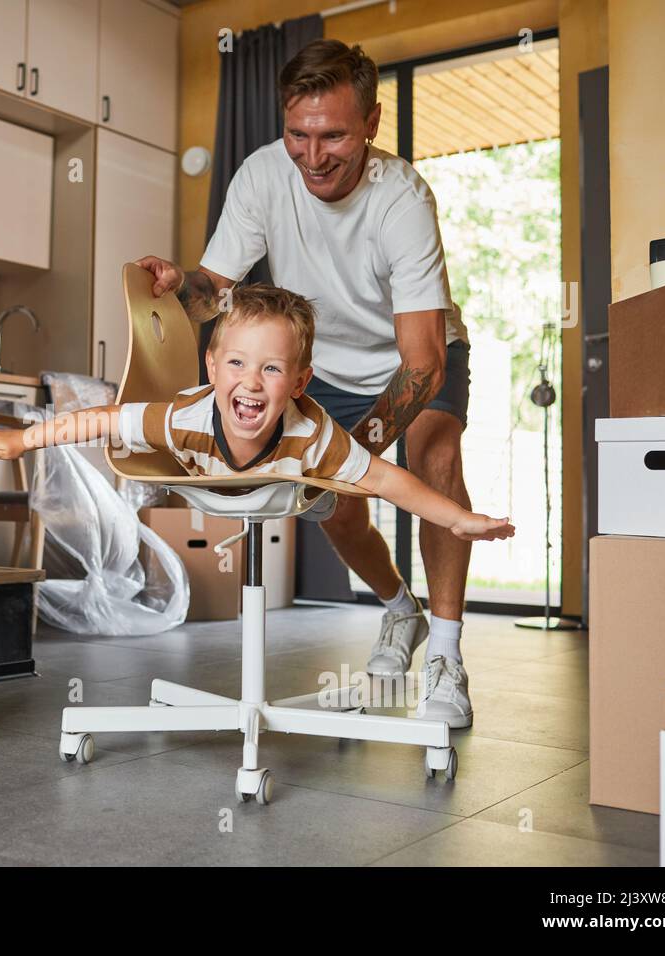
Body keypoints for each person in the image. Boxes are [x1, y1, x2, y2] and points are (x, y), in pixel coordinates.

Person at [135, 38, 482, 728]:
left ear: (372, 124)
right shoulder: (263, 176)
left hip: (408, 359)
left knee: (433, 455)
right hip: (317, 366)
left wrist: (361, 452)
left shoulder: (402, 199)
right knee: (335, 506)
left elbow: (423, 363)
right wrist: (182, 286)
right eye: (299, 134)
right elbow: (216, 296)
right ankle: (398, 612)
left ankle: (445, 657)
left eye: (334, 137)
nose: (314, 156)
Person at [0, 286, 512, 561]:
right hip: (214, 484)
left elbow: (390, 480)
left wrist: (457, 518)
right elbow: (103, 419)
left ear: (298, 384)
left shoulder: (312, 433)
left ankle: (331, 505)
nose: (250, 382)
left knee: (339, 493)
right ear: (212, 369)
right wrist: (22, 439)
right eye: (237, 365)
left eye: (272, 369)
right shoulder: (185, 416)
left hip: (296, 484)